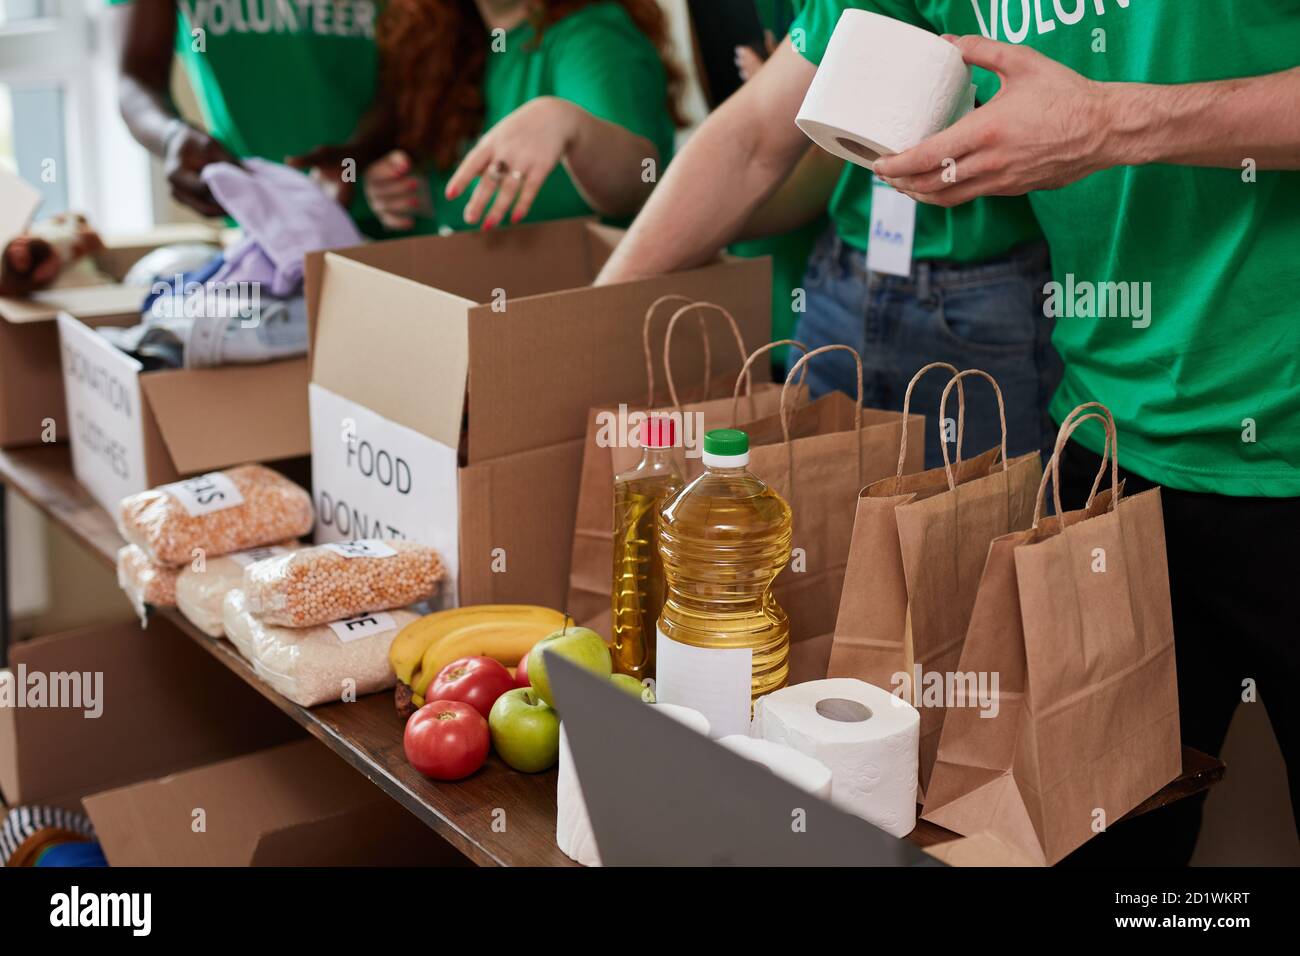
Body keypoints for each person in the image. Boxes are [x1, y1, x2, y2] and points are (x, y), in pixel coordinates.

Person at [863, 1, 1300, 862]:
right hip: (1102, 459)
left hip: (1284, 454)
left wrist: (1110, 122)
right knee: (1098, 848)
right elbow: (766, 127)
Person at [596, 0, 1060, 470]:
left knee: (977, 525)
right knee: (815, 515)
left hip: (986, 295)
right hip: (844, 277)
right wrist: (594, 313)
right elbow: (758, 137)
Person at [303, 0, 682, 235]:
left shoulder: (591, 36)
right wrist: (403, 195)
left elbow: (642, 179)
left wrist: (568, 123)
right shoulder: (453, 48)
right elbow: (465, 201)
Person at [113, 0, 382, 227]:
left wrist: (364, 151)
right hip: (261, 229)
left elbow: (414, 68)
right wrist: (172, 136)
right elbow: (138, 77)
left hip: (394, 209)